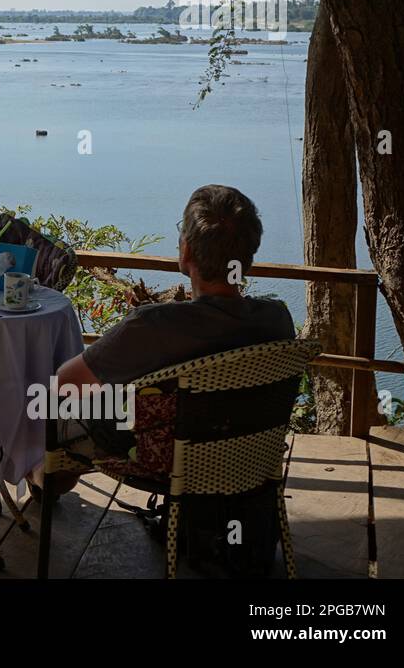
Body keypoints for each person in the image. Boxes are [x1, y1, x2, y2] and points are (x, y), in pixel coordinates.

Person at [34, 184, 295, 487]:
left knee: (51, 403)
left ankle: (40, 477)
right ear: (248, 255)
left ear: (186, 251)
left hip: (165, 464)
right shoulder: (276, 318)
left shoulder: (155, 325)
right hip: (245, 459)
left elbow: (66, 383)